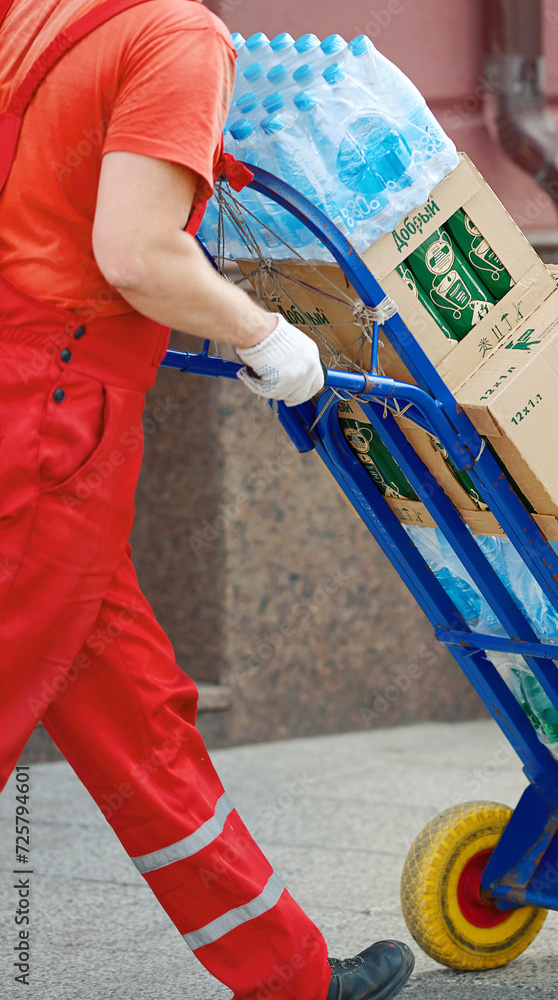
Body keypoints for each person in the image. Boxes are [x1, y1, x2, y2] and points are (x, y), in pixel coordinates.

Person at [0, 2, 414, 998]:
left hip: (28, 394)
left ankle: (285, 973)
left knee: (137, 713)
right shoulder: (176, 37)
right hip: (55, 416)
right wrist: (265, 335)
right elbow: (138, 253)